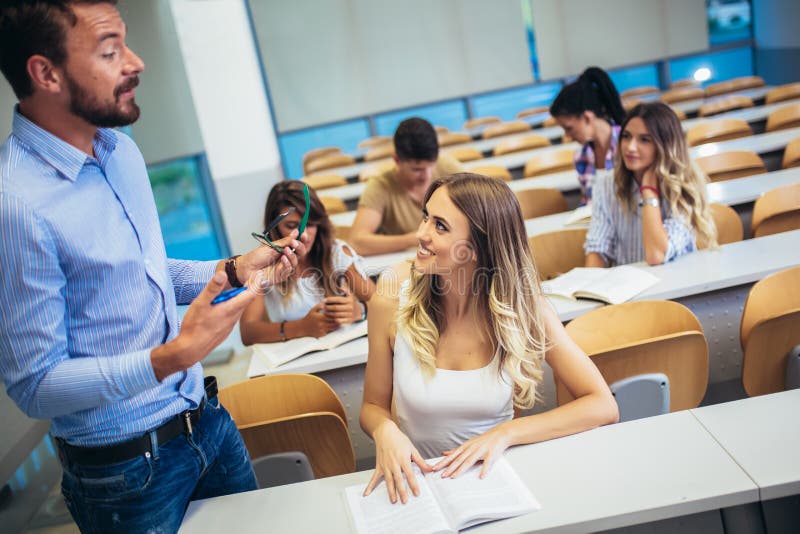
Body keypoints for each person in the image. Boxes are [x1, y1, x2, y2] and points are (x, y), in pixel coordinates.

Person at [0, 2, 307, 531]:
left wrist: (234, 268)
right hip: (123, 473)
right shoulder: (15, 204)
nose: (136, 62)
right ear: (45, 72)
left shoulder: (119, 152)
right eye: (110, 50)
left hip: (205, 423)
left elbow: (138, 272)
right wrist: (172, 356)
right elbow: (36, 384)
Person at [359, 173, 619, 504]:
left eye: (440, 226)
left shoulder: (526, 311)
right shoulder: (390, 302)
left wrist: (506, 433)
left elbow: (602, 404)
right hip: (419, 489)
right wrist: (385, 431)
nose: (421, 234)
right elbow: (371, 406)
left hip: (496, 481)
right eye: (426, 217)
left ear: (477, 249)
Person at [585, 102, 718, 267]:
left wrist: (648, 191)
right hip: (628, 287)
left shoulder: (683, 187)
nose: (630, 147)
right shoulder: (607, 184)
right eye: (626, 136)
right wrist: (589, 286)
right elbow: (598, 248)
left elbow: (656, 255)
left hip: (678, 286)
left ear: (665, 146)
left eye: (644, 140)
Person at [240, 181, 375, 343]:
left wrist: (360, 310)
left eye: (310, 224)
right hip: (293, 361)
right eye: (291, 226)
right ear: (274, 227)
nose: (304, 235)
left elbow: (382, 304)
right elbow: (248, 333)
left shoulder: (337, 253)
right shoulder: (263, 264)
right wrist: (301, 327)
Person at [349, 117, 462, 256]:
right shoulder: (380, 187)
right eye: (416, 169)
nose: (426, 175)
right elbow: (357, 242)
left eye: (431, 165)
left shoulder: (449, 169)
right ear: (397, 160)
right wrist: (412, 239)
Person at [550, 66, 626, 205]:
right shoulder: (582, 156)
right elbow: (587, 201)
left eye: (569, 128)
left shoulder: (629, 145)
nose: (567, 136)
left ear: (587, 117)